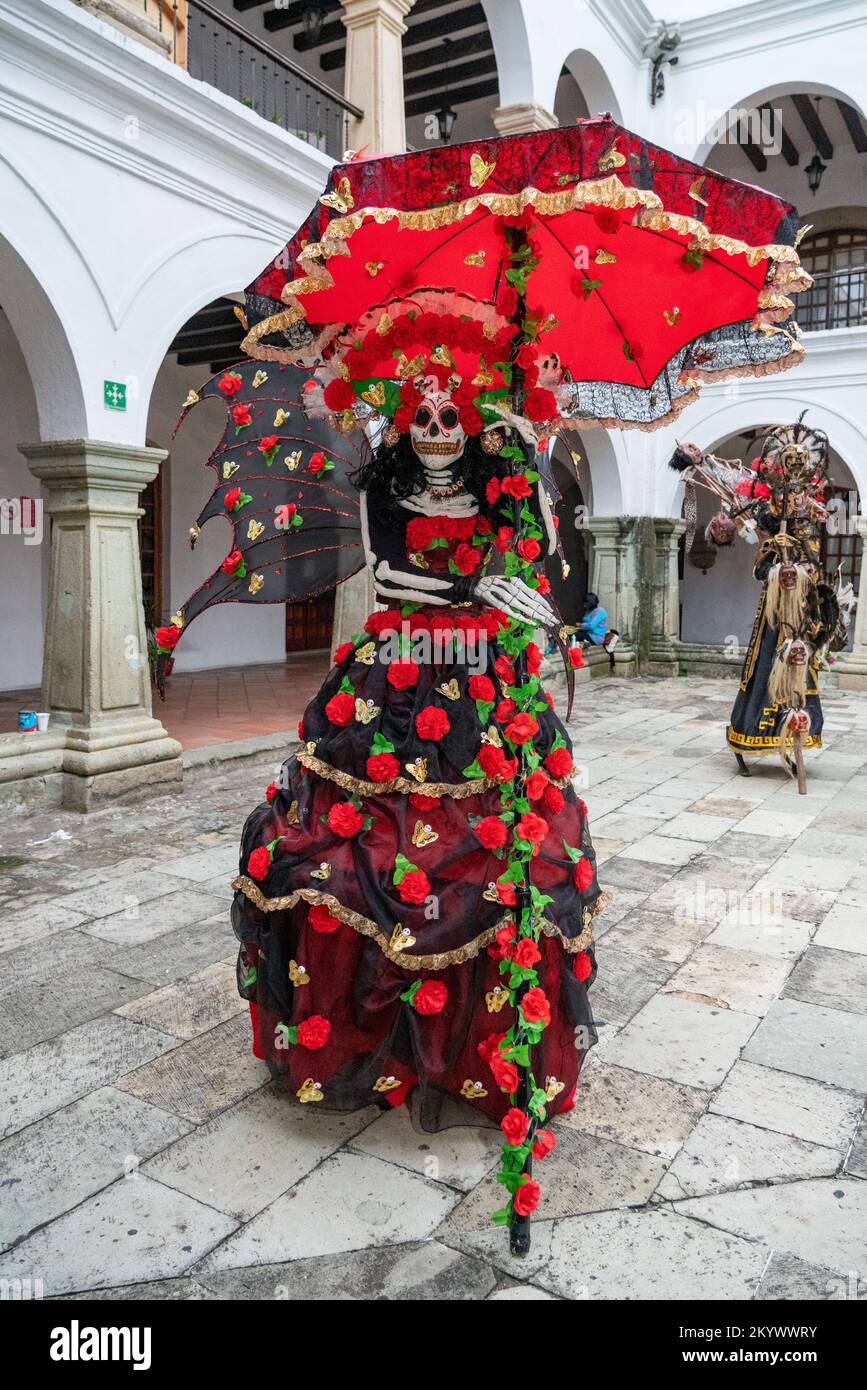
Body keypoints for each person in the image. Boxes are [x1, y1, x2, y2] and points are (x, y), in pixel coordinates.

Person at [230, 370, 604, 1129]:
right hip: (395, 667)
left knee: (506, 844)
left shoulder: (494, 485)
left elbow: (536, 544)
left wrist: (529, 452)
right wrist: (477, 588)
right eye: (424, 416)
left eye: (451, 415)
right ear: (406, 423)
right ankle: (365, 1036)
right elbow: (390, 572)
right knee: (353, 836)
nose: (436, 430)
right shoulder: (384, 489)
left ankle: (482, 1041)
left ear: (470, 423)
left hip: (482, 672)